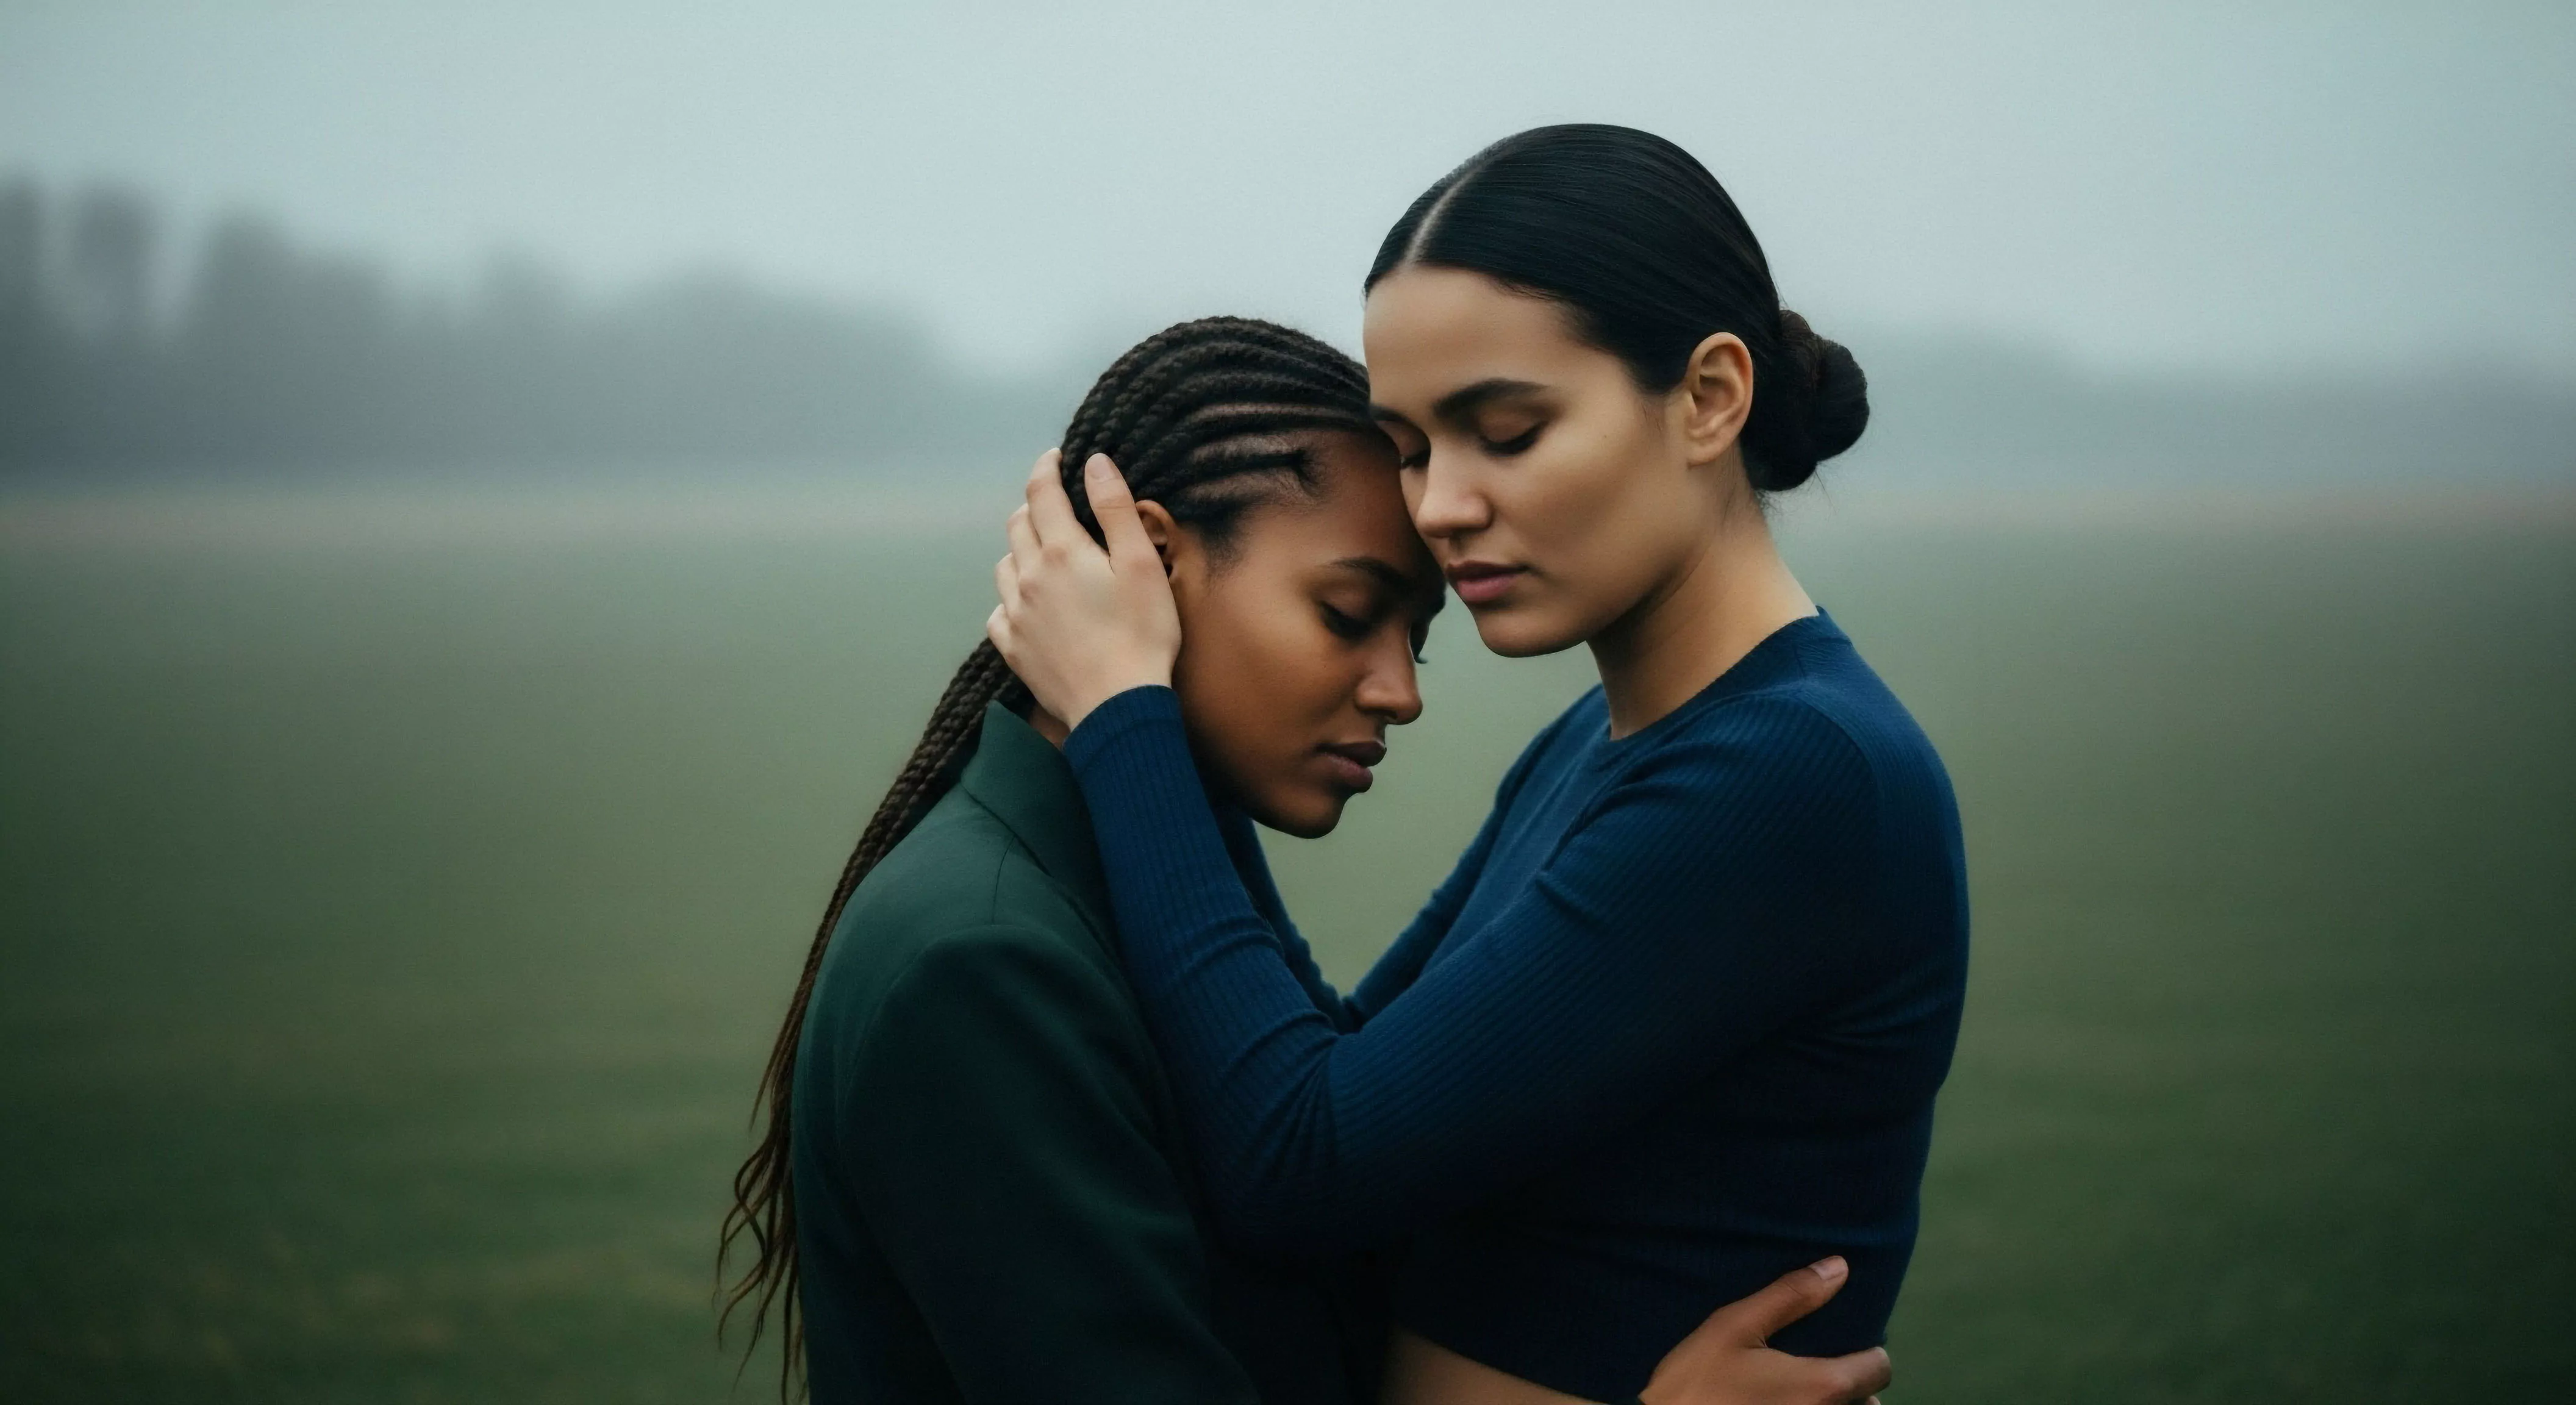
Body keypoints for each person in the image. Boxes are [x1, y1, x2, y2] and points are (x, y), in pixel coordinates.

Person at [721, 317, 1895, 1404]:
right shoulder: (980, 966)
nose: (1401, 692)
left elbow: (1346, 1190)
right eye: (1347, 614)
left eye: (1417, 639)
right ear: (1155, 566)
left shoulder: (1138, 872)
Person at [986, 126, 1970, 1405]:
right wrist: (1175, 703)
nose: (1440, 502)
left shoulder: (1792, 775)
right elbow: (1340, 1078)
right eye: (1409, 447)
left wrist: (1128, 714)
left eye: (1505, 430)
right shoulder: (1600, 744)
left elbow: (1300, 1162)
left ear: (1710, 398)